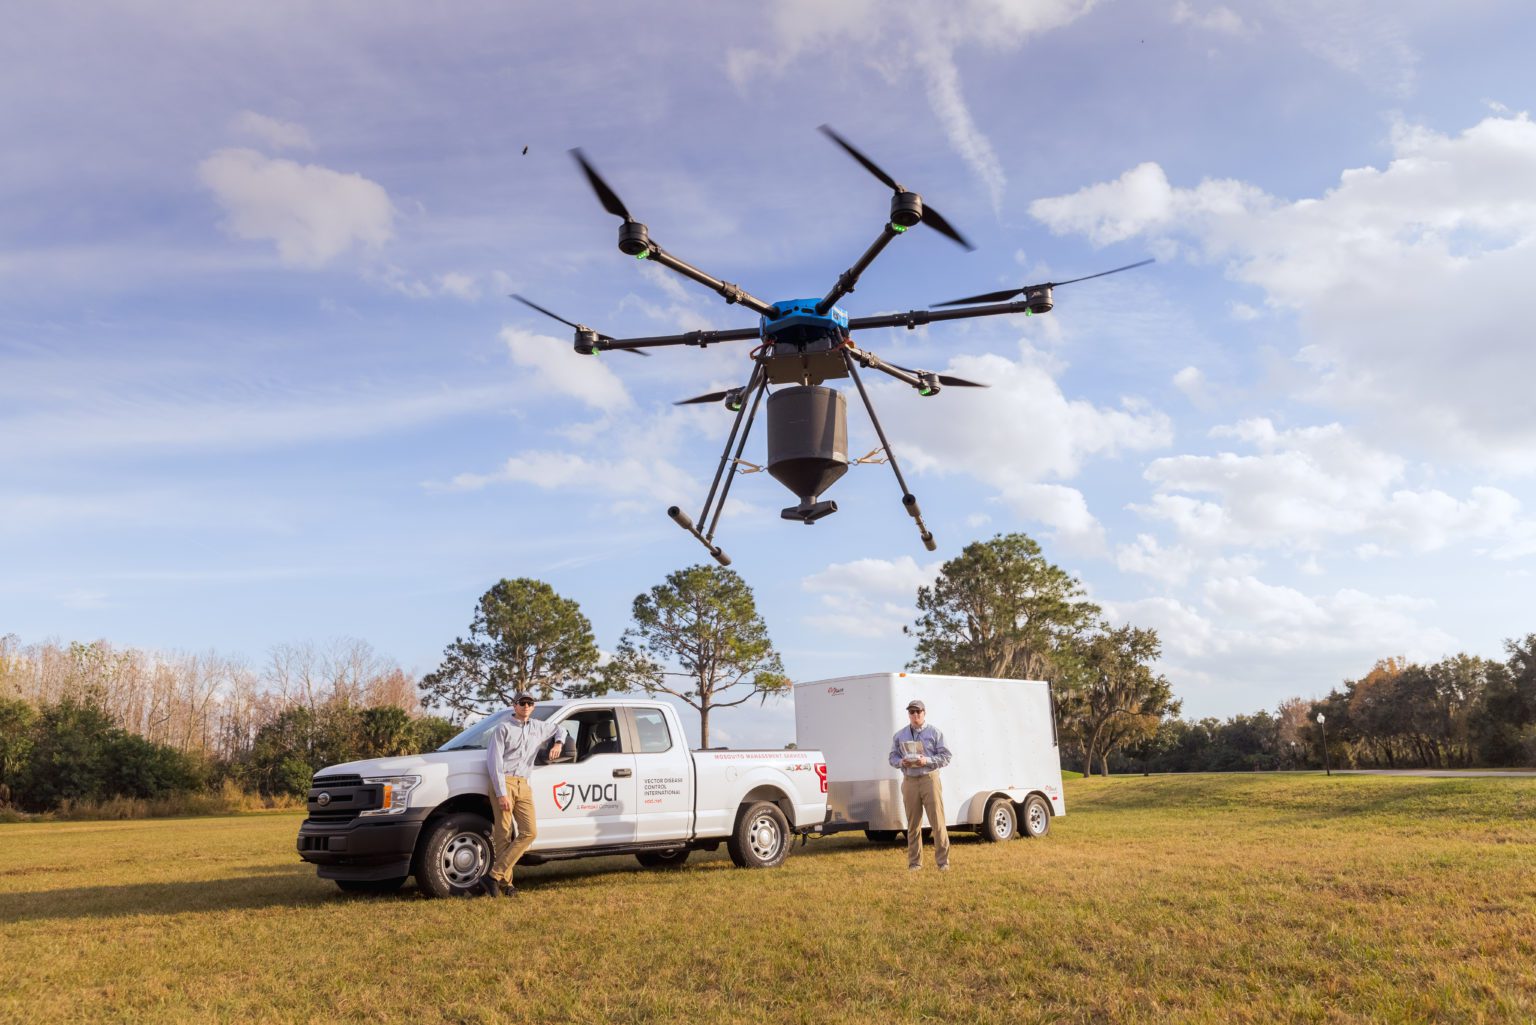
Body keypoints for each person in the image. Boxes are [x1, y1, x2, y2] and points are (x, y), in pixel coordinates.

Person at [482, 692, 568, 897]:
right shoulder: (503, 728)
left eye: (530, 703)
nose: (526, 706)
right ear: (515, 705)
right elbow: (494, 762)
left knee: (530, 832)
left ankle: (493, 875)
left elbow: (561, 728)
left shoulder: (539, 727)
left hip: (524, 784)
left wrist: (558, 743)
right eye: (522, 703)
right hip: (504, 782)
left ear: (533, 706)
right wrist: (502, 793)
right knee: (503, 834)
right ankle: (506, 885)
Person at [888, 698, 952, 871]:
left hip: (929, 779)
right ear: (908, 714)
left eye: (918, 712)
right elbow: (892, 757)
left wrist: (927, 760)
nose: (915, 715)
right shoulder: (900, 735)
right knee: (913, 824)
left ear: (924, 713)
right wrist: (901, 762)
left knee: (937, 822)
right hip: (909, 781)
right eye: (911, 712)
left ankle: (943, 862)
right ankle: (915, 863)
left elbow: (946, 756)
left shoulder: (935, 733)